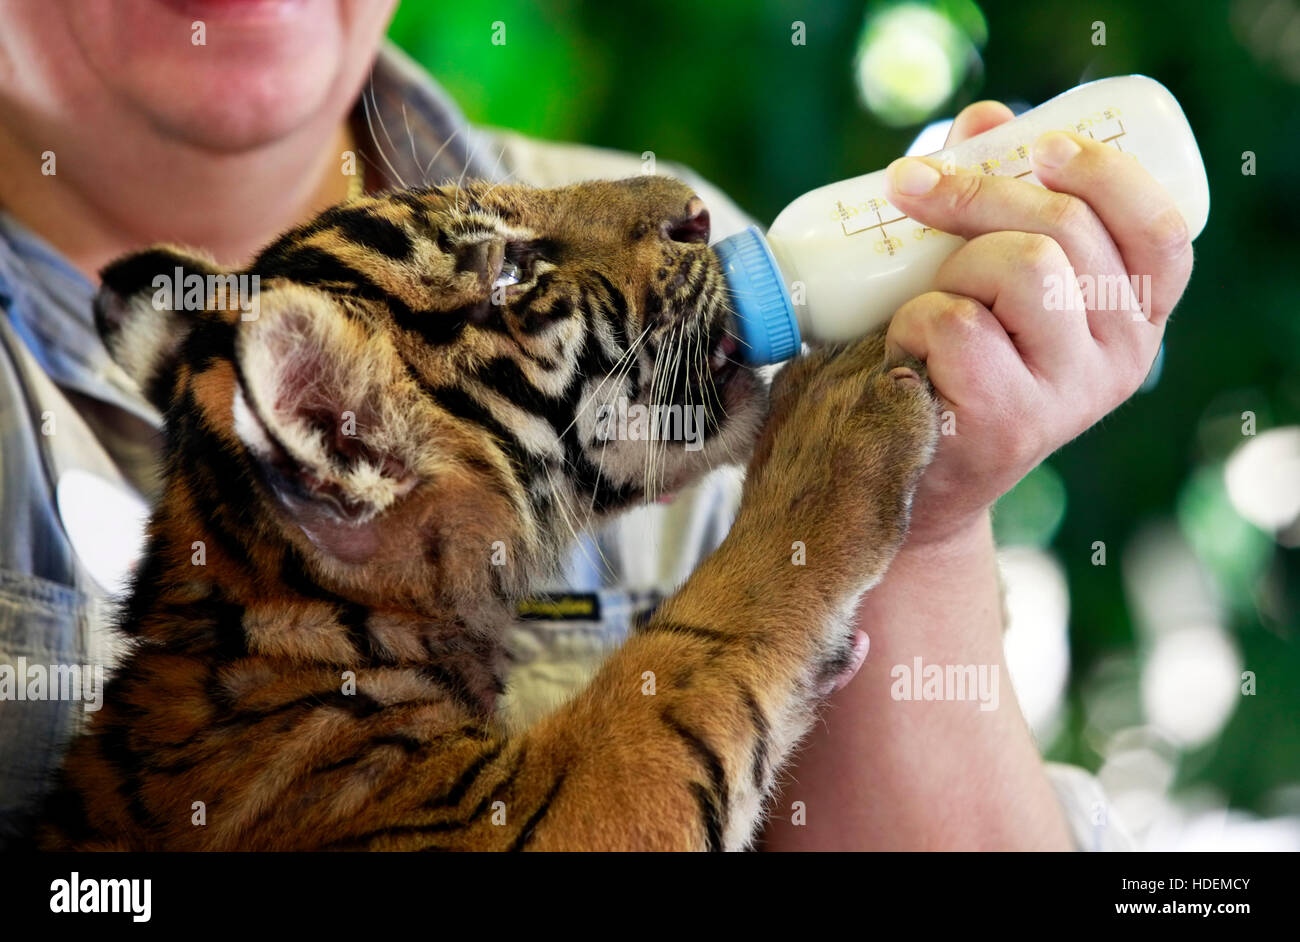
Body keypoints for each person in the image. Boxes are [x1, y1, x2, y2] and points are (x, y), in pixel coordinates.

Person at [0, 0, 1191, 850]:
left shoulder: (716, 277)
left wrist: (921, 527)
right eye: (513, 268)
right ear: (343, 443)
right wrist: (792, 556)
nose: (669, 208)